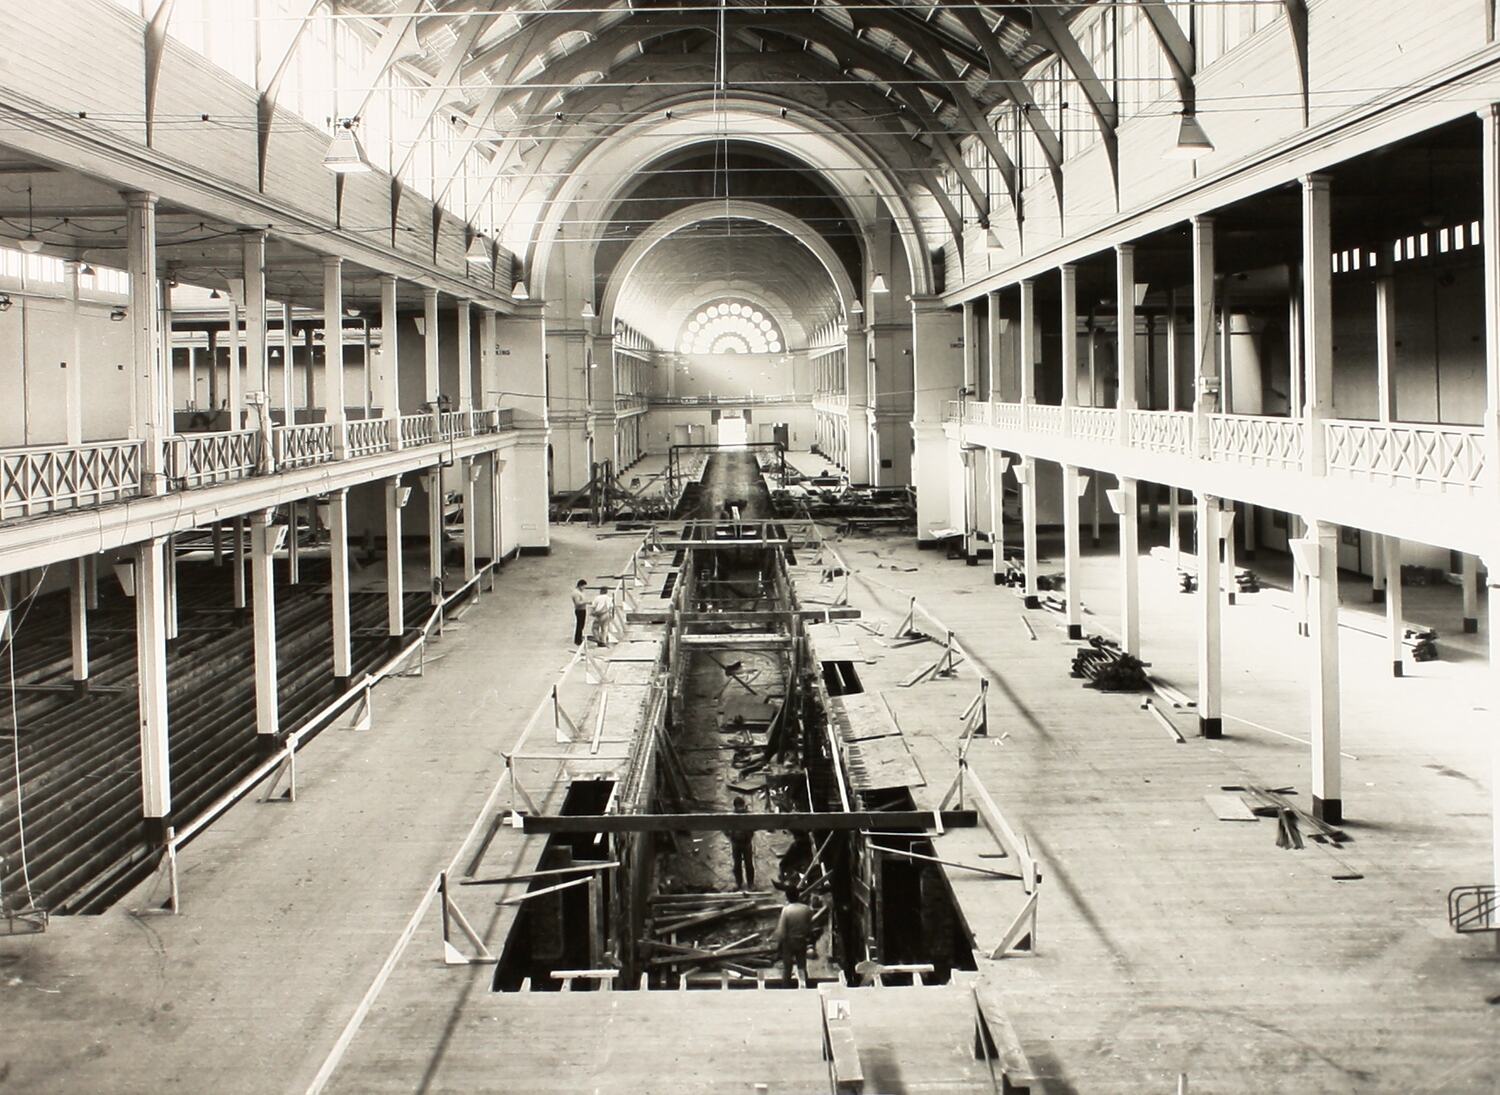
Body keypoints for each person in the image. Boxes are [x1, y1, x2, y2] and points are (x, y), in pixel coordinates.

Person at [772, 885, 813, 986]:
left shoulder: (786, 910)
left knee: (787, 968)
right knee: (802, 966)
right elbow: (810, 926)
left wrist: (779, 944)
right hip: (802, 940)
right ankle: (804, 986)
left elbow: (782, 930)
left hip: (789, 942)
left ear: (787, 896)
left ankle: (786, 988)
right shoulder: (806, 909)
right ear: (798, 895)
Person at [729, 797, 754, 890]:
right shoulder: (731, 817)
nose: (740, 809)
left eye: (741, 806)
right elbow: (724, 827)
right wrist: (730, 835)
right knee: (737, 864)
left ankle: (750, 883)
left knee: (749, 864)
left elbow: (756, 825)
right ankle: (739, 883)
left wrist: (750, 834)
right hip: (736, 843)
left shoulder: (749, 816)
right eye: (738, 807)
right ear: (735, 807)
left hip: (746, 843)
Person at [570, 579, 589, 645]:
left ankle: (579, 637)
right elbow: (577, 603)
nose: (584, 588)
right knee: (579, 625)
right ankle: (577, 640)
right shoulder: (576, 593)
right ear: (580, 585)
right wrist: (586, 602)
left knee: (581, 625)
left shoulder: (580, 592)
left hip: (582, 609)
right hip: (579, 610)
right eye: (583, 586)